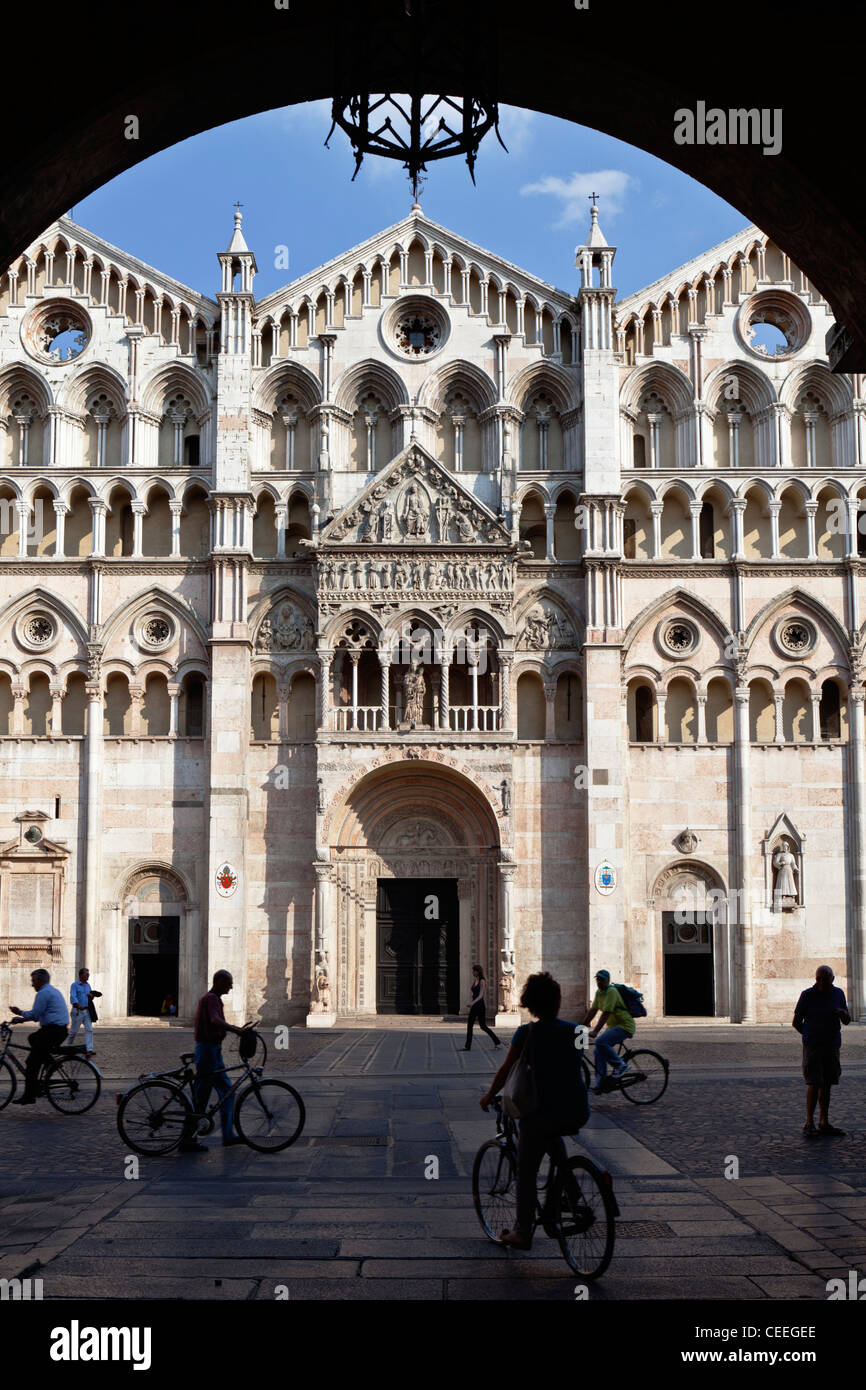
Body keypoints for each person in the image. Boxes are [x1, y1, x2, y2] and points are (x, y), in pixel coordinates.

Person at [479, 971, 588, 1250]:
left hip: (540, 1112)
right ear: (557, 1002)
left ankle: (522, 1232)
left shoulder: (526, 1033)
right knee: (555, 1139)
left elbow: (506, 1070)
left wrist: (490, 1095)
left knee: (526, 1172)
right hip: (576, 1109)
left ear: (530, 1003)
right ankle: (572, 1193)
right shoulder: (576, 1032)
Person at [180, 970, 249, 1152]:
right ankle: (187, 1139)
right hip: (207, 1050)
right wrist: (236, 1029)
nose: (231, 987)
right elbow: (214, 1019)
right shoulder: (211, 999)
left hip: (213, 1051)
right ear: (218, 982)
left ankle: (228, 1135)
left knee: (227, 1091)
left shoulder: (214, 999)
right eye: (228, 983)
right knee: (201, 1096)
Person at [793, 965, 850, 1137]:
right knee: (813, 1082)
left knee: (827, 1083)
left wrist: (842, 1014)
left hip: (832, 1044)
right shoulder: (807, 995)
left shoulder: (839, 994)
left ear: (832, 979)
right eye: (818, 978)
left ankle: (824, 1121)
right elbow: (796, 1021)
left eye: (824, 979)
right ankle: (809, 1122)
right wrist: (809, 1036)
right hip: (814, 1045)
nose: (821, 982)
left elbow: (847, 1020)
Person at [9, 969, 70, 1105]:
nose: (32, 984)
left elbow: (36, 1015)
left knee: (31, 1063)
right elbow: (39, 1014)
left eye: (33, 981)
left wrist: (20, 1013)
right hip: (56, 1030)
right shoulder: (50, 991)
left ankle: (29, 1096)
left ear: (40, 981)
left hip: (53, 1032)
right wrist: (21, 1018)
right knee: (32, 1038)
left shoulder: (43, 993)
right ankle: (48, 1062)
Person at [582, 969, 635, 1093]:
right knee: (598, 1051)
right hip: (613, 1027)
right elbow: (593, 1011)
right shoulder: (598, 993)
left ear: (608, 980)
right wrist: (581, 1025)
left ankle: (621, 1066)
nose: (599, 982)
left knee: (600, 1042)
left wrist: (595, 1031)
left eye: (602, 979)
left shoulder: (611, 991)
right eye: (598, 979)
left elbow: (606, 1013)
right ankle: (601, 1084)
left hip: (624, 1025)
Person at [462, 965, 502, 1052]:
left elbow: (481, 995)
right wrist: (471, 1001)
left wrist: (472, 1002)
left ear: (478, 971)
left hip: (480, 1006)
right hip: (475, 1006)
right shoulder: (475, 980)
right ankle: (467, 1046)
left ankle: (497, 1042)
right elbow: (474, 994)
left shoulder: (482, 981)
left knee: (483, 1026)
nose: (472, 972)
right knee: (470, 1025)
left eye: (474, 971)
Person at [67, 967, 102, 1057]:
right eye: (86, 974)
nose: (88, 976)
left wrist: (91, 996)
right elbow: (73, 996)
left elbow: (90, 997)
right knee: (74, 1031)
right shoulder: (74, 985)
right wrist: (78, 1005)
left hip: (87, 1011)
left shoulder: (88, 985)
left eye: (88, 974)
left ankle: (89, 1049)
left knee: (89, 1029)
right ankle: (67, 1047)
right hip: (78, 1011)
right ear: (81, 975)